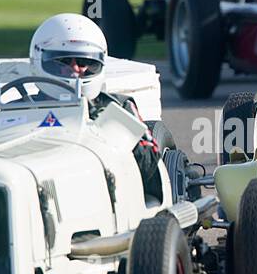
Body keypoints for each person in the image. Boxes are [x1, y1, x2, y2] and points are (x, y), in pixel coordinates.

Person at [29, 13, 164, 200]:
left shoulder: (117, 106)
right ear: (40, 61)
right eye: (64, 62)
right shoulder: (15, 109)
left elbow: (149, 166)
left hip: (107, 195)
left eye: (85, 62)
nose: (76, 70)